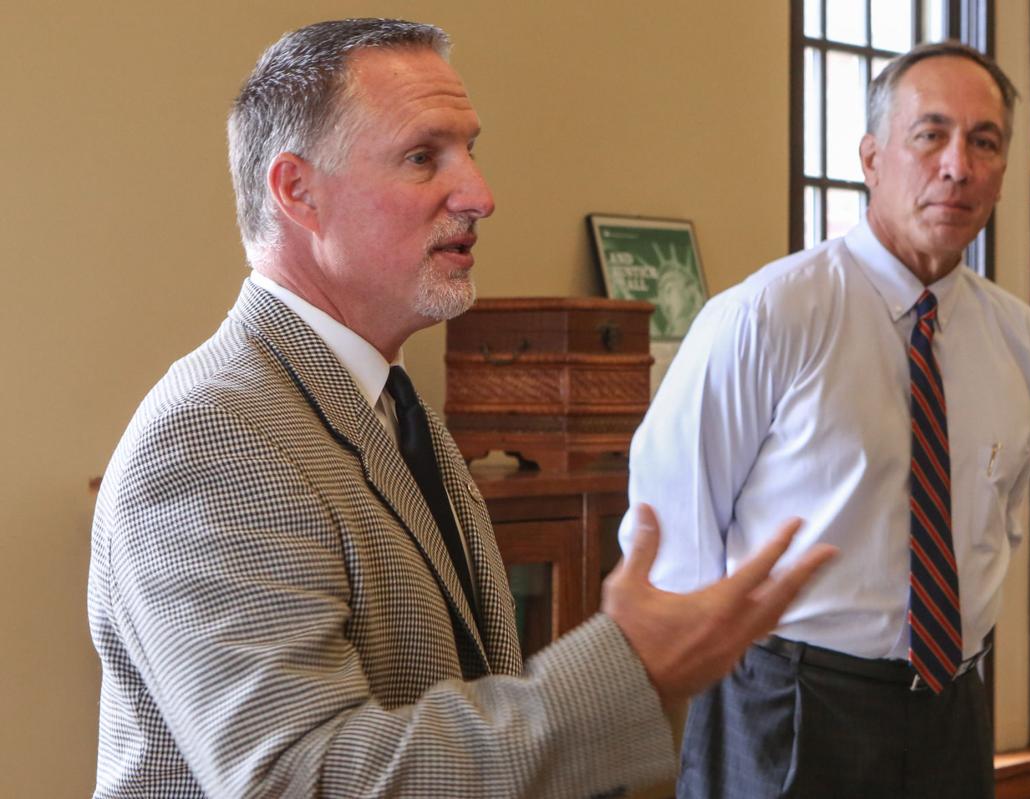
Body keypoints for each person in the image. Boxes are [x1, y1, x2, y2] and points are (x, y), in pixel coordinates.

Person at [87, 19, 836, 799]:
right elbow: (301, 780)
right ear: (296, 191)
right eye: (423, 157)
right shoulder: (213, 435)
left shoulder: (394, 408)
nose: (479, 194)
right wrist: (630, 667)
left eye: (470, 149)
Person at [620, 41, 1030, 798]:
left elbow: (996, 527)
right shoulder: (767, 316)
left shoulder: (1022, 342)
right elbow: (675, 537)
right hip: (787, 705)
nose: (958, 165)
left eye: (985, 142)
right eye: (931, 135)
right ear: (872, 156)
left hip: (953, 709)